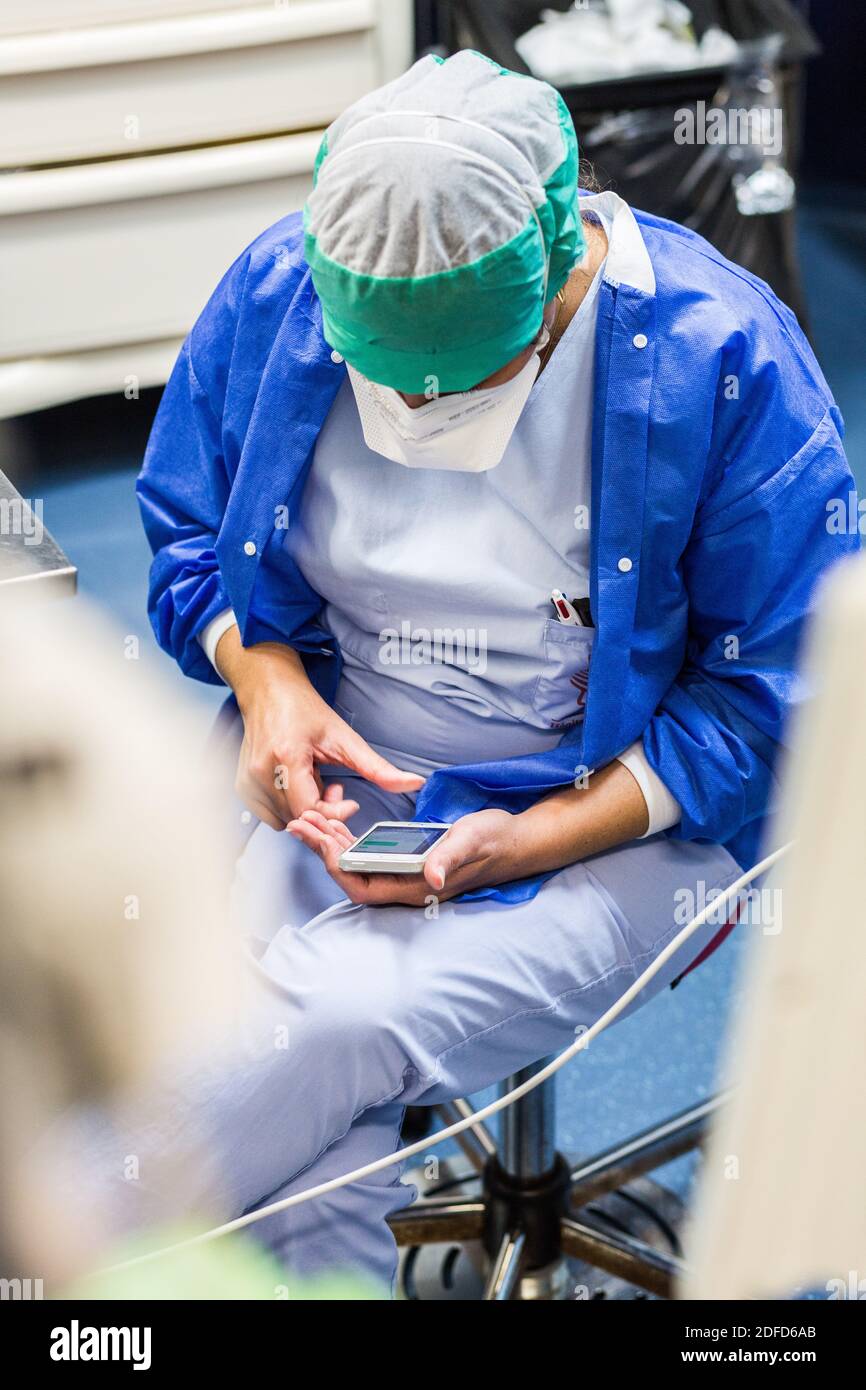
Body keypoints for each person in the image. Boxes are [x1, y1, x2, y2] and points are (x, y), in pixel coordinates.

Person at [135, 51, 857, 1290]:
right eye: (377, 379)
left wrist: (535, 839)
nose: (414, 418)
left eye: (465, 381)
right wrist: (264, 683)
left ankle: (52, 1246)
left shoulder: (718, 356)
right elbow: (189, 531)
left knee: (326, 1028)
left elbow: (777, 697)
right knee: (211, 1034)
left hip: (631, 818)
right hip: (327, 761)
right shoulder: (280, 292)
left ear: (553, 278)